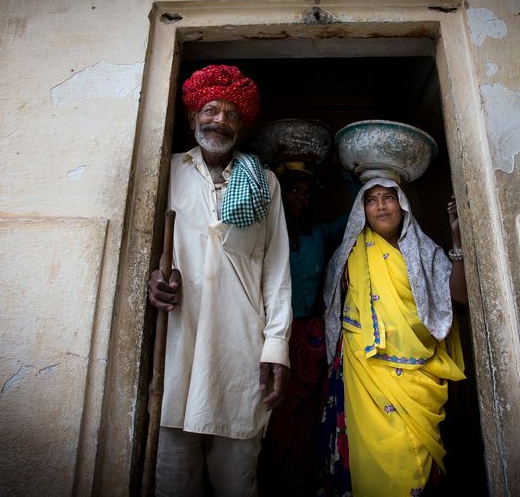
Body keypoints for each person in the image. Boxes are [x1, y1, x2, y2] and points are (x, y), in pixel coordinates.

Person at [146, 64, 293, 497]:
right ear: (194, 119)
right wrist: (152, 279)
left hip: (241, 351)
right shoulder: (166, 171)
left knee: (236, 481)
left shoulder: (264, 183)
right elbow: (143, 250)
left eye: (231, 114)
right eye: (211, 110)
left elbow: (276, 268)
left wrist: (277, 347)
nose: (219, 121)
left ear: (241, 127)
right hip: (176, 347)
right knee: (173, 480)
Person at [319, 176, 467, 496]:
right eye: (372, 200)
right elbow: (332, 305)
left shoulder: (424, 250)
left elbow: (460, 296)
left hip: (419, 378)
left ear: (402, 205)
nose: (381, 206)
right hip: (367, 373)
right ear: (363, 210)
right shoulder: (351, 254)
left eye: (389, 197)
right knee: (373, 455)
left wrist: (457, 241)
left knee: (412, 458)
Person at [258, 162, 359, 496]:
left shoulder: (320, 233)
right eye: (293, 191)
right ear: (279, 194)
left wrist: (347, 173)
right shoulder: (264, 234)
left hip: (313, 339)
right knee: (278, 413)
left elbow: (357, 215)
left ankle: (307, 483)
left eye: (306, 194)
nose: (300, 199)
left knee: (311, 413)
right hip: (276, 338)